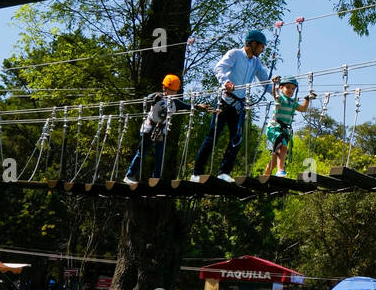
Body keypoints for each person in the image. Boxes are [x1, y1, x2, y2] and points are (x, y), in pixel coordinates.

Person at [192, 31, 271, 183]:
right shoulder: (235, 54)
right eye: (261, 47)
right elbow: (219, 68)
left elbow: (265, 81)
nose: (262, 50)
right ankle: (196, 172)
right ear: (253, 44)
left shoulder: (256, 63)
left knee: (236, 139)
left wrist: (277, 92)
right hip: (224, 101)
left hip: (238, 106)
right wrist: (226, 82)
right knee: (212, 137)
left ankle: (224, 172)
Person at [124, 74, 204, 184]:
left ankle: (156, 178)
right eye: (170, 90)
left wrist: (197, 107)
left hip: (161, 131)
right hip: (150, 128)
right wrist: (154, 97)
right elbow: (147, 98)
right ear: (164, 88)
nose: (172, 93)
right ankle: (129, 175)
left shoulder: (175, 102)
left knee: (160, 154)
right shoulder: (158, 97)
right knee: (142, 152)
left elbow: (187, 106)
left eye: (174, 91)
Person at [261, 77, 315, 180]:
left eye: (293, 89)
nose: (291, 90)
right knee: (282, 146)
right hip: (274, 127)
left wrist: (307, 99)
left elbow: (303, 109)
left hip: (284, 129)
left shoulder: (292, 103)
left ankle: (266, 173)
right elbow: (275, 93)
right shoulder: (280, 98)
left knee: (278, 152)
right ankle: (280, 170)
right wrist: (275, 84)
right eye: (288, 88)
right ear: (281, 88)